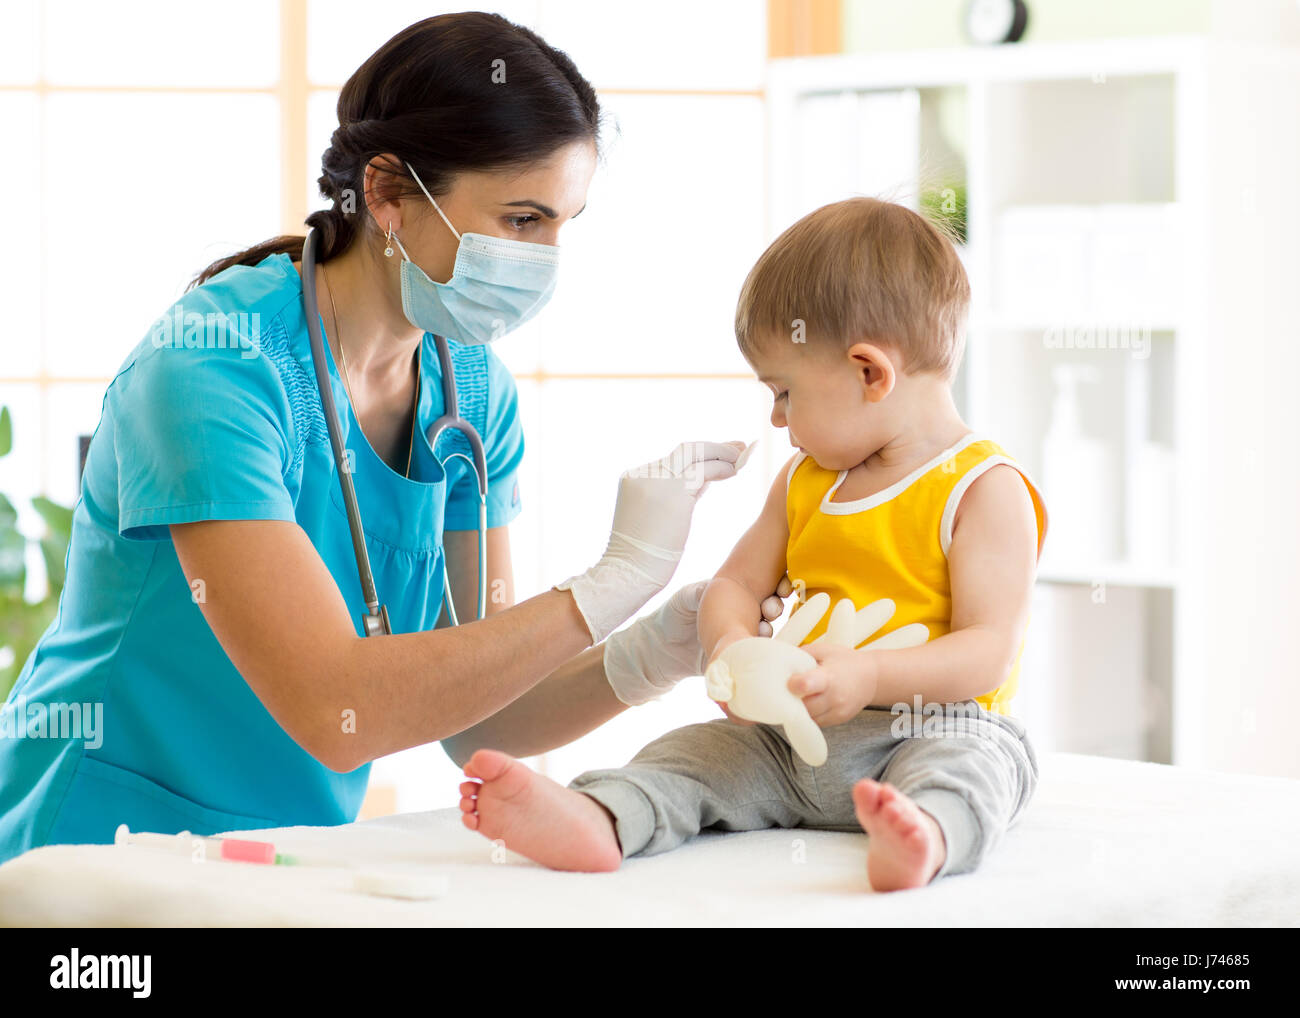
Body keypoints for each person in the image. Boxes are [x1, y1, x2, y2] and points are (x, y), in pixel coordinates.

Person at [0, 12, 783, 864]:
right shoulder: (211, 370)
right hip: (90, 851)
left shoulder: (471, 392)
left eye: (565, 223)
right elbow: (338, 706)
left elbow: (483, 716)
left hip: (285, 858)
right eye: (523, 221)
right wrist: (609, 582)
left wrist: (654, 645)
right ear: (386, 194)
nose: (549, 258)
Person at [458, 196, 1049, 891]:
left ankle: (926, 833)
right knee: (691, 755)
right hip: (787, 742)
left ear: (869, 372)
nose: (775, 418)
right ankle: (603, 815)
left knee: (977, 763)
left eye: (784, 392)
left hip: (926, 727)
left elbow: (987, 653)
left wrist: (871, 679)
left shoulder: (982, 487)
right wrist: (730, 647)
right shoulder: (806, 481)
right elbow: (734, 586)